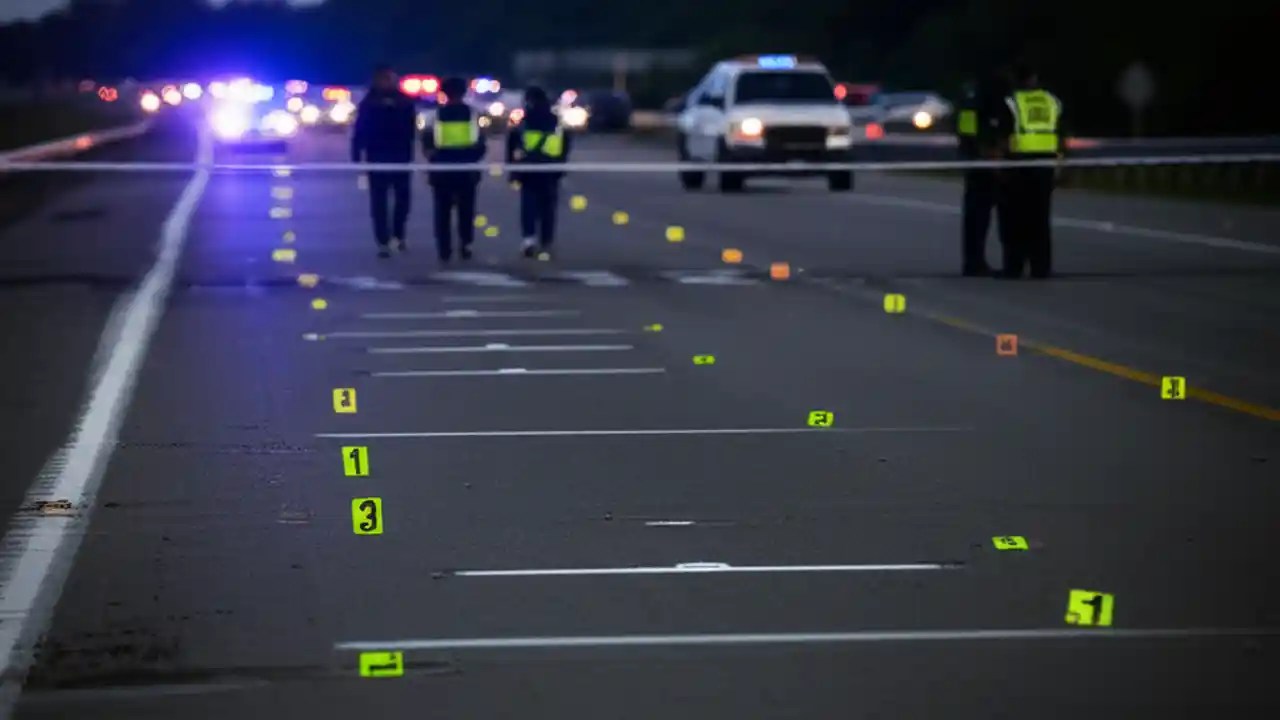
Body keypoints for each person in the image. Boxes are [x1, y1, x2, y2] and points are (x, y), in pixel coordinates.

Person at [996, 62, 1064, 279]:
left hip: (1018, 164)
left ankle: (1014, 267)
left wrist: (1000, 163)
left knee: (1014, 218)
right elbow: (1062, 134)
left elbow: (1004, 135)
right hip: (1045, 164)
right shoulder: (1051, 100)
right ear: (1034, 77)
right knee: (1040, 218)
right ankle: (1041, 267)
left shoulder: (1011, 102)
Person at [351, 64, 417, 258]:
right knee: (379, 202)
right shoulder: (369, 103)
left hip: (400, 156)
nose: (386, 82)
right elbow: (360, 129)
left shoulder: (404, 101)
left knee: (402, 200)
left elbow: (410, 129)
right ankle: (383, 240)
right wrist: (357, 153)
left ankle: (399, 234)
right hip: (377, 157)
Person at [421, 76, 485, 262]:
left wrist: (435, 158)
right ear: (464, 92)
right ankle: (466, 245)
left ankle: (444, 249)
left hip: (442, 170)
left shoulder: (434, 116)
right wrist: (472, 158)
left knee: (442, 212)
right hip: (467, 170)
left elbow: (427, 144)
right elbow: (481, 143)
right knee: (466, 210)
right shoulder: (473, 115)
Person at [506, 86, 571, 259]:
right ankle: (546, 241)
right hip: (551, 170)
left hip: (528, 171)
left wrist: (512, 171)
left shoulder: (525, 121)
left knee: (529, 205)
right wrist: (561, 166)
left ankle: (529, 239)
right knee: (548, 208)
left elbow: (513, 145)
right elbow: (565, 145)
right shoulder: (555, 122)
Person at [956, 69, 1007, 276]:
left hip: (973, 157)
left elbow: (964, 128)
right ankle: (980, 262)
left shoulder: (969, 92)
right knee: (984, 214)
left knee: (975, 215)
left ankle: (973, 261)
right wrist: (991, 154)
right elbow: (985, 127)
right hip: (983, 160)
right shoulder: (989, 91)